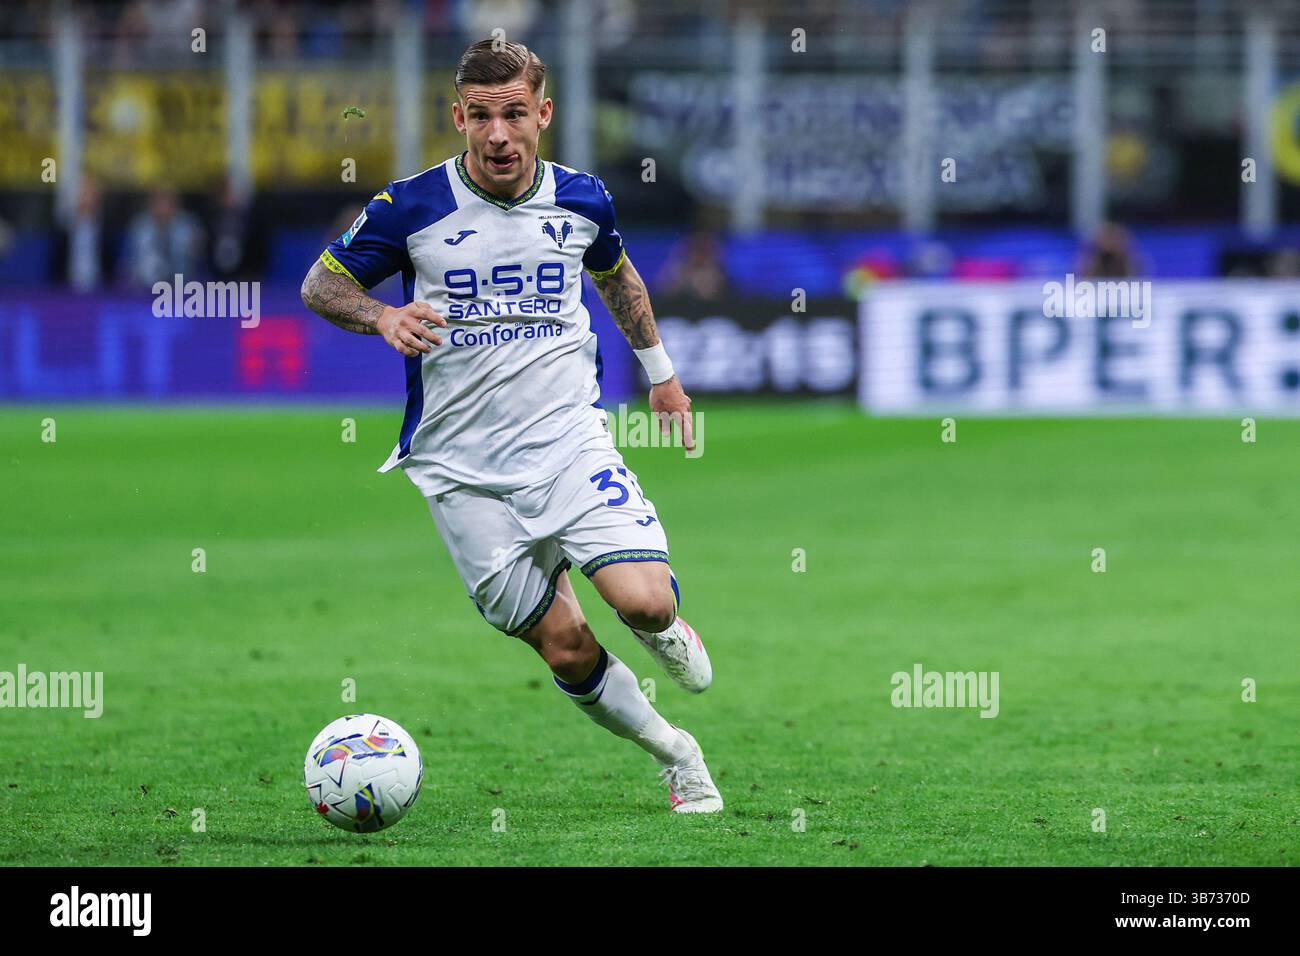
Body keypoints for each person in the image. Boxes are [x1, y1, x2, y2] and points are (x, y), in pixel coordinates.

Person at [300, 39, 721, 813]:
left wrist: (663, 378)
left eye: (515, 115)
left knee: (645, 602)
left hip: (565, 440)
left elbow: (616, 275)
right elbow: (322, 283)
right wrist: (382, 314)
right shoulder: (411, 207)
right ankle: (676, 753)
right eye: (483, 116)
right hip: (458, 469)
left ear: (544, 115)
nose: (499, 135)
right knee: (563, 643)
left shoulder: (583, 198)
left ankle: (664, 629)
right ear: (459, 117)